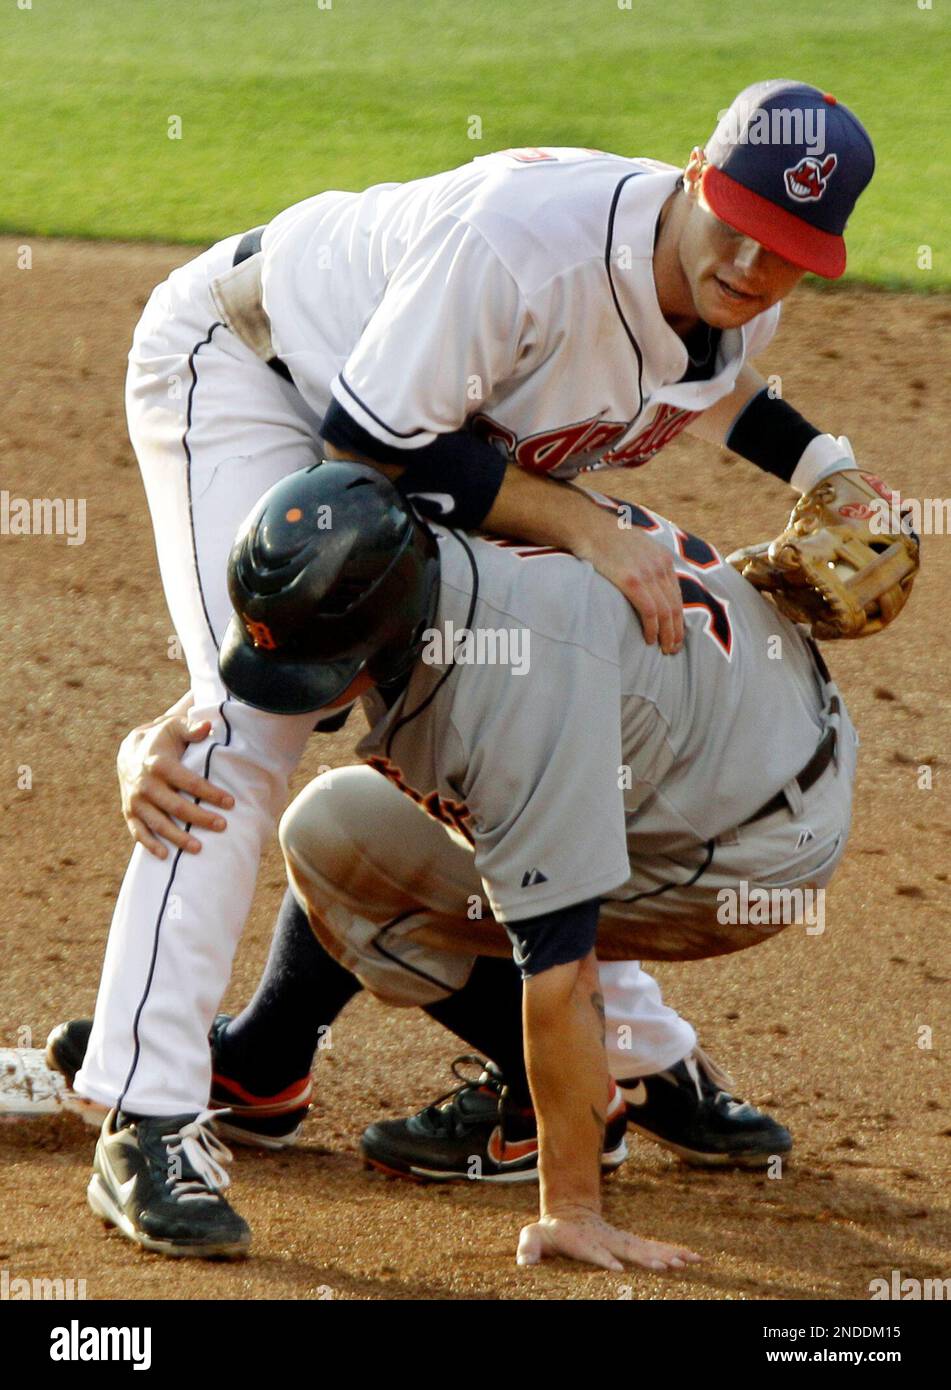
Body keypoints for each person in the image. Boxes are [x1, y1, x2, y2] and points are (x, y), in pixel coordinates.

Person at [70, 78, 877, 1256]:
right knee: (245, 730)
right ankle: (146, 1112)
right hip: (261, 379)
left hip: (428, 435)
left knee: (506, 702)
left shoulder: (739, 290)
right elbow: (363, 453)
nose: (754, 268)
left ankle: (641, 1059)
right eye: (739, 229)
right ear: (695, 170)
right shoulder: (522, 249)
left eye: (789, 254)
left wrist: (827, 469)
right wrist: (588, 528)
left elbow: (713, 381)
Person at [77, 460, 857, 1270]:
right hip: (759, 742)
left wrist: (573, 1213)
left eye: (321, 664)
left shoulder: (508, 697)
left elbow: (564, 971)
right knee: (357, 827)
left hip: (748, 859)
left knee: (344, 843)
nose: (300, 688)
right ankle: (262, 1061)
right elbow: (299, 638)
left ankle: (561, 1108)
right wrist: (169, 728)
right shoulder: (429, 529)